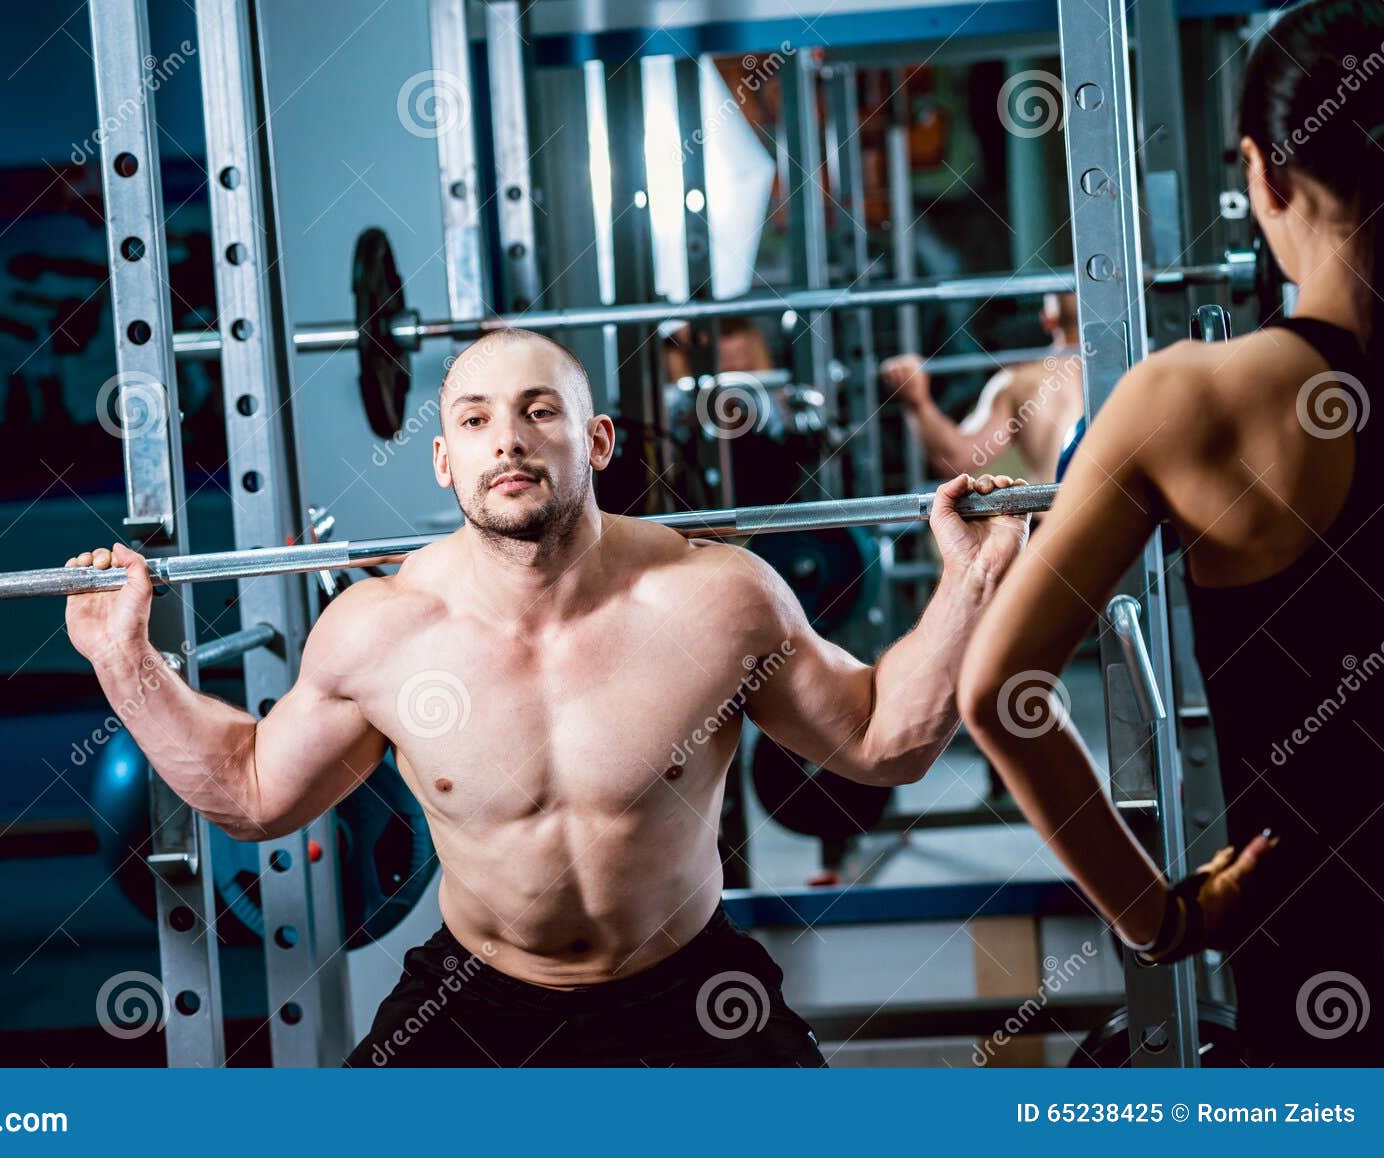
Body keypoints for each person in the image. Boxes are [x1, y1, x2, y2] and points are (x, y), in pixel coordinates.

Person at [65, 327, 1031, 1067]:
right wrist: (124, 660)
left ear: (597, 440)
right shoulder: (380, 632)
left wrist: (972, 581)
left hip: (690, 990)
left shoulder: (718, 600)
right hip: (477, 999)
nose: (508, 442)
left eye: (540, 412)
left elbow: (883, 742)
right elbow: (252, 794)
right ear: (444, 460)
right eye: (474, 421)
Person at [958, 0, 1383, 1065]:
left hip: (1324, 960)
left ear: (1263, 174)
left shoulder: (1193, 401)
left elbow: (998, 694)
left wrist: (1160, 918)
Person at [880, 293, 1083, 483]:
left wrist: (918, 401)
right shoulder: (1109, 379)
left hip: (1058, 511)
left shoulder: (1019, 382)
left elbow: (956, 459)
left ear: (1047, 320)